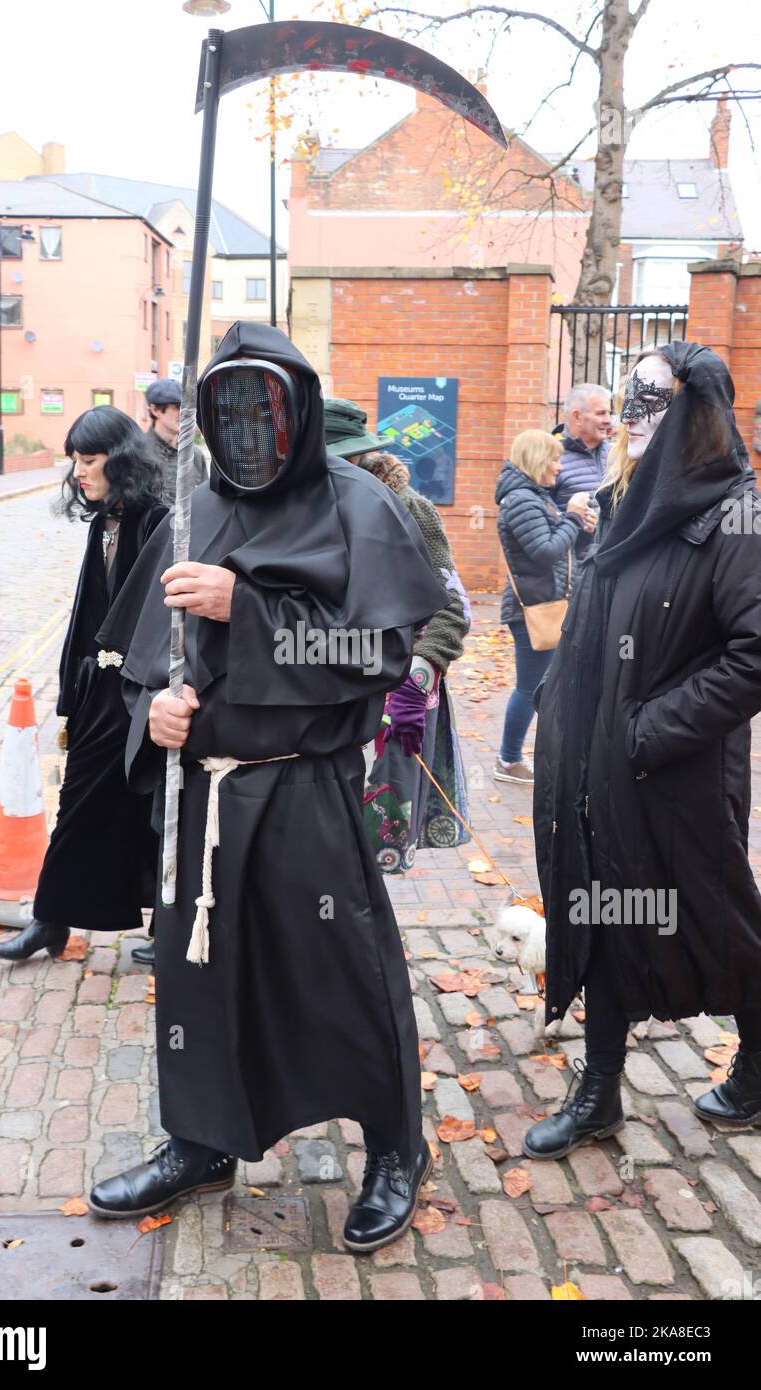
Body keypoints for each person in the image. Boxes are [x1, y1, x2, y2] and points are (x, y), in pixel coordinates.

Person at [87, 324, 449, 1252]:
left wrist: (244, 609)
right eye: (230, 412)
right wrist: (153, 715)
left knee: (342, 975)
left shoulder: (357, 506)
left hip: (303, 790)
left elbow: (378, 651)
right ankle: (201, 1138)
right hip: (200, 798)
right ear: (209, 419)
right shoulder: (191, 510)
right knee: (197, 981)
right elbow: (140, 663)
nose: (249, 430)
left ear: (297, 410)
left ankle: (395, 1147)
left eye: (266, 410)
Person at [523, 342, 761, 1161]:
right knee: (602, 907)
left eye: (651, 403)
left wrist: (649, 729)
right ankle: (599, 1092)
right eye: (629, 402)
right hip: (603, 763)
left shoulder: (736, 514)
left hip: (681, 772)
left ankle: (757, 1071)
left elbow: (753, 654)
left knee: (720, 920)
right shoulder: (626, 500)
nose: (630, 420)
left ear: (693, 413)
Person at [0, 407, 168, 962]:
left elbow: (164, 620)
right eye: (75, 460)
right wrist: (76, 692)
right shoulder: (105, 522)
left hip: (143, 696)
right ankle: (53, 919)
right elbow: (86, 617)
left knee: (153, 808)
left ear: (120, 458)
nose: (79, 472)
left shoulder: (157, 521)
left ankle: (166, 926)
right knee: (80, 804)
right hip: (101, 694)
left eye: (89, 459)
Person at [323, 398, 472, 870]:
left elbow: (453, 606)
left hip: (396, 693)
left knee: (376, 842)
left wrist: (419, 672)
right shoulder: (306, 507)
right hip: (326, 694)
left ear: (360, 455)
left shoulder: (408, 507)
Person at [495, 429, 596, 785]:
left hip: (547, 604)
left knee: (545, 684)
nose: (559, 466)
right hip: (533, 609)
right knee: (530, 688)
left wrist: (582, 529)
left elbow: (561, 548)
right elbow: (545, 552)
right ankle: (508, 760)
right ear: (537, 460)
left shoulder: (535, 496)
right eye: (554, 459)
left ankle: (526, 756)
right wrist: (572, 517)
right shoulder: (521, 500)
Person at [551, 384, 612, 553]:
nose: (608, 420)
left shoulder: (615, 456)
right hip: (573, 565)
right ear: (577, 416)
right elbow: (536, 523)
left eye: (609, 413)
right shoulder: (551, 458)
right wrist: (576, 520)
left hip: (613, 562)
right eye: (600, 413)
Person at [144, 377, 208, 506]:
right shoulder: (137, 453)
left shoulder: (195, 456)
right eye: (178, 407)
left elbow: (205, 503)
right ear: (155, 410)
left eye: (188, 407)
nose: (185, 413)